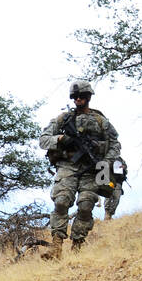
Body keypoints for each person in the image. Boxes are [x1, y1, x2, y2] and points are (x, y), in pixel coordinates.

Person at [38, 80, 122, 258]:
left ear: (89, 97)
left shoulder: (101, 121)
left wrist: (105, 163)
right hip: (68, 166)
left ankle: (77, 246)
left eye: (82, 96)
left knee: (85, 206)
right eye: (75, 96)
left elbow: (115, 144)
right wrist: (60, 139)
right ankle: (56, 246)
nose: (78, 99)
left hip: (92, 169)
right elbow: (43, 140)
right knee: (61, 202)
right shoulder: (63, 119)